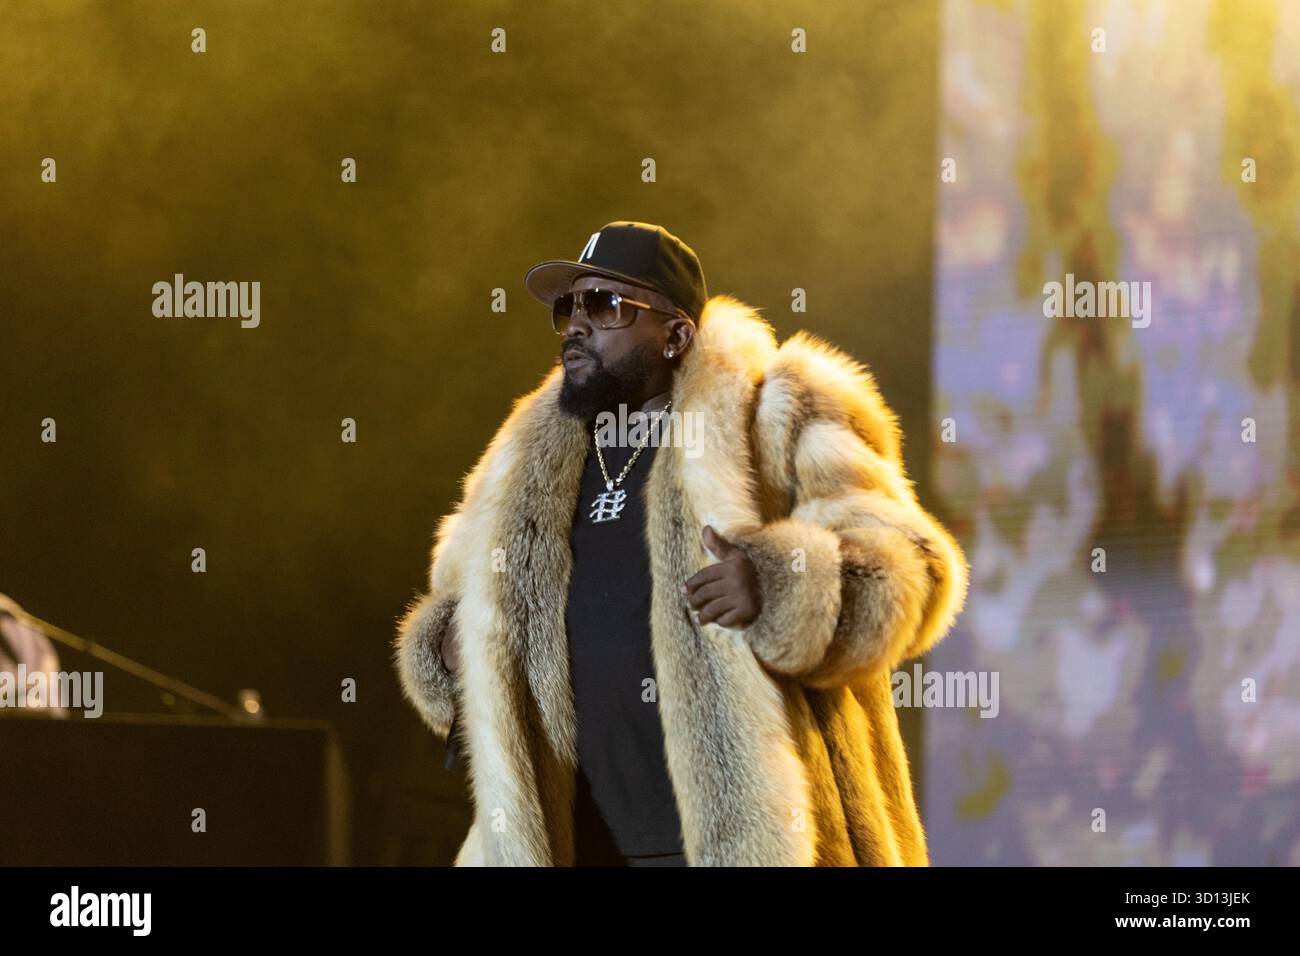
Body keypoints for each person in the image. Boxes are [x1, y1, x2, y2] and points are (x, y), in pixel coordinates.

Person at [393, 220, 968, 866]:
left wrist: (779, 584)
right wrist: (448, 648)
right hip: (577, 848)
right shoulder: (522, 468)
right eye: (568, 306)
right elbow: (456, 634)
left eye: (605, 305)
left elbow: (916, 572)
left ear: (675, 335)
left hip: (756, 842)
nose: (577, 323)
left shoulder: (773, 413)